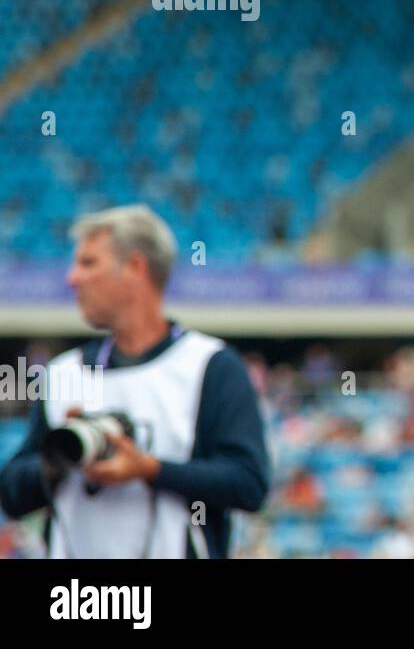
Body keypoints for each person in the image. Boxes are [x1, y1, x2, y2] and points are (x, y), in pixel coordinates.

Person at [0, 204, 270, 558]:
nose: (72, 278)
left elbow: (248, 485)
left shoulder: (208, 365)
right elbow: (11, 495)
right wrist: (56, 462)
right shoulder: (65, 372)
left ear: (135, 267)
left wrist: (149, 469)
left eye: (88, 263)